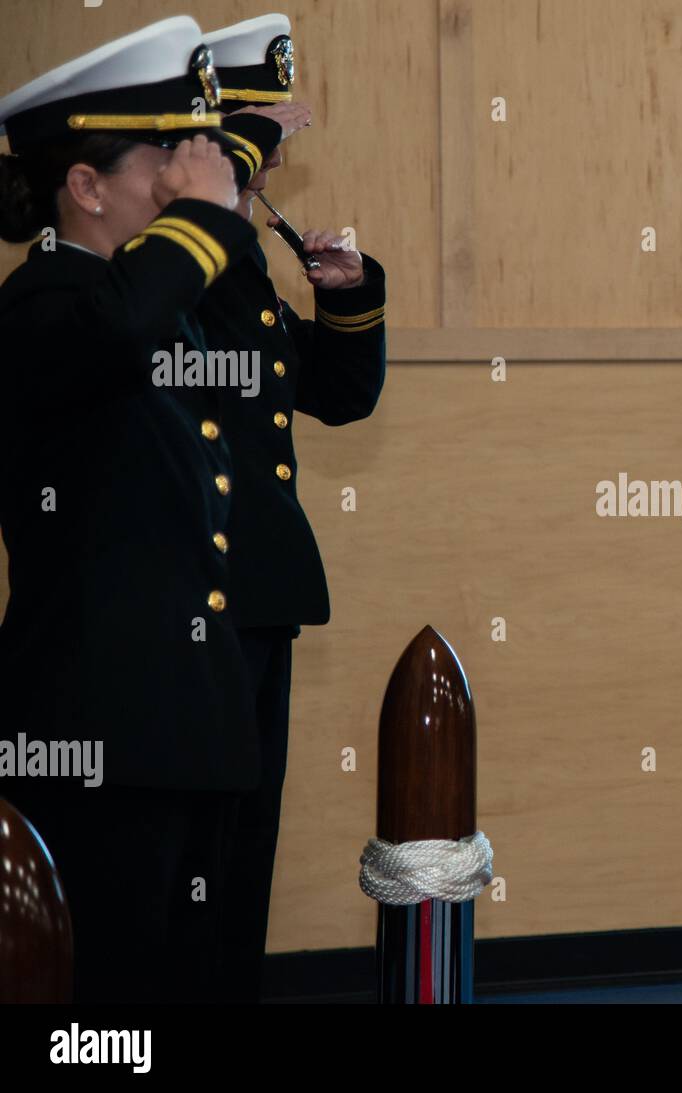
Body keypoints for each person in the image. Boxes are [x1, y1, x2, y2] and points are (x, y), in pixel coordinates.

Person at [0, 17, 262, 1002]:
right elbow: (115, 333)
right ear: (85, 184)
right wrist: (205, 218)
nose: (187, 171)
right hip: (93, 728)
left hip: (182, 724)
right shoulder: (44, 309)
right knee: (109, 987)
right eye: (165, 152)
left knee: (184, 976)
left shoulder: (152, 305)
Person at [200, 14, 387, 1002]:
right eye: (260, 138)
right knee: (198, 849)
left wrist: (347, 300)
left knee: (242, 839)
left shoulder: (237, 261)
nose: (275, 163)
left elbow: (336, 395)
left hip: (255, 594)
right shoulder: (176, 265)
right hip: (194, 597)